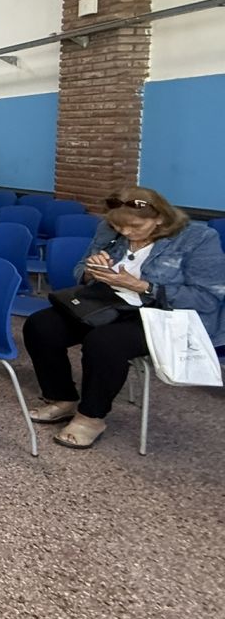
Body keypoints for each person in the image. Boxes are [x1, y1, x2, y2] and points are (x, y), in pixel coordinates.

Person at [23, 186, 225, 450]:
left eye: (135, 227)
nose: (126, 232)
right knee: (40, 326)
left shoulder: (197, 239)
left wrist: (143, 286)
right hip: (109, 303)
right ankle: (62, 398)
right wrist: (93, 271)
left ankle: (91, 417)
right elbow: (80, 270)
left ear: (160, 218)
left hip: (162, 314)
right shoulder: (109, 229)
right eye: (120, 227)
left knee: (105, 343)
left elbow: (208, 298)